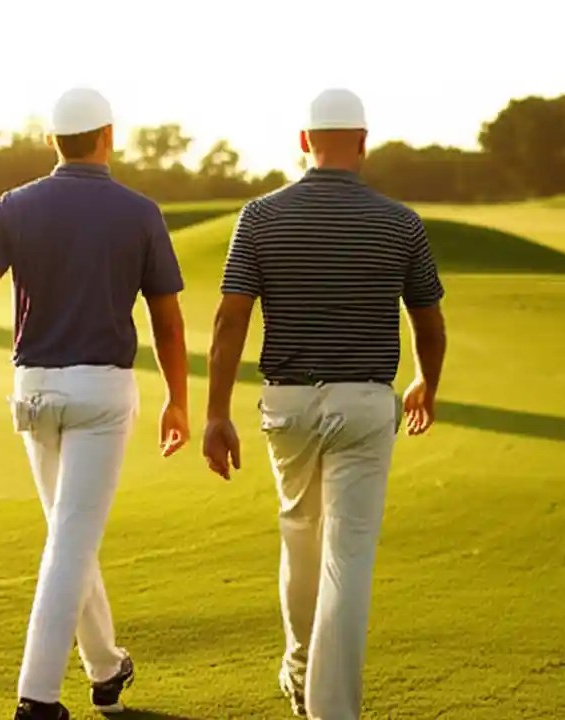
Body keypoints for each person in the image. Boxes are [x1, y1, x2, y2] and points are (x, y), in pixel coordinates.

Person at [0, 87, 191, 720]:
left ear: (52, 142)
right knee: (71, 538)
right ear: (108, 137)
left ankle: (105, 668)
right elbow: (170, 325)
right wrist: (178, 399)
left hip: (34, 393)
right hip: (101, 394)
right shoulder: (141, 211)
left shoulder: (13, 206)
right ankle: (36, 700)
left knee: (71, 532)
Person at [202, 88, 448, 720]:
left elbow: (230, 320)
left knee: (300, 541)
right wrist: (427, 380)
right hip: (365, 404)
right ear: (363, 144)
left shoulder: (259, 215)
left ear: (304, 143)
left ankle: (301, 672)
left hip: (287, 405)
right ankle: (330, 709)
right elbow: (430, 322)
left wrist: (215, 413)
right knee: (349, 559)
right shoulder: (401, 222)